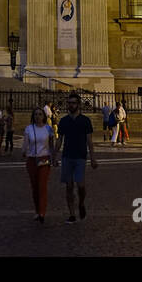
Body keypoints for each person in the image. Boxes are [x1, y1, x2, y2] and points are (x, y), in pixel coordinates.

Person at [55, 94, 97, 223]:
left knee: (80, 185)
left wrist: (93, 158)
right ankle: (72, 214)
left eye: (73, 103)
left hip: (80, 156)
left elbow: (89, 140)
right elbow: (59, 139)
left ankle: (81, 203)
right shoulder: (63, 121)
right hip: (67, 156)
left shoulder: (85, 120)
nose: (70, 105)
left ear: (78, 104)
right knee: (68, 186)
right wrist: (54, 155)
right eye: (69, 103)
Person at [22, 107, 54, 223]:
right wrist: (23, 151)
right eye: (36, 114)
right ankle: (37, 210)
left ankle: (42, 212)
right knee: (35, 187)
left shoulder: (48, 129)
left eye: (40, 114)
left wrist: (53, 158)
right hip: (31, 159)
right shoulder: (29, 129)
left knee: (42, 186)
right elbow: (25, 143)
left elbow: (51, 145)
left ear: (44, 116)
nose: (38, 116)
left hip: (44, 159)